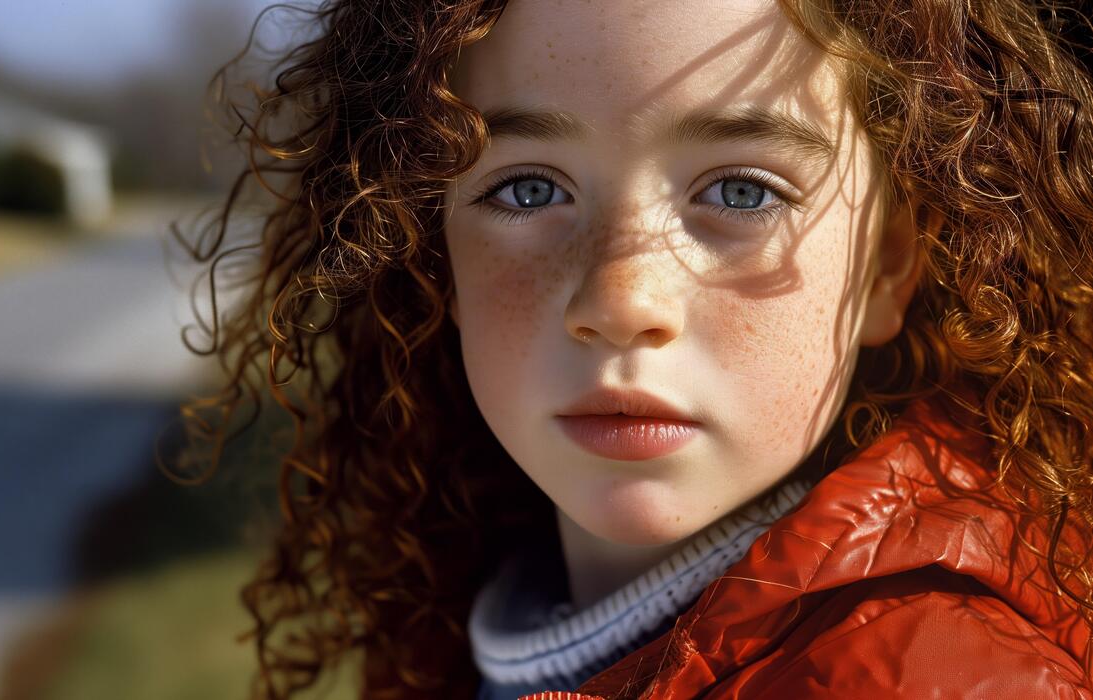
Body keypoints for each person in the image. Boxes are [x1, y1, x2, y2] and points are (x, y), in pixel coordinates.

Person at [170, 0, 1093, 697]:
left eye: (740, 192)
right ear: (429, 249)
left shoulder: (931, 678)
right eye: (528, 190)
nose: (621, 301)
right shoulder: (456, 632)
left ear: (891, 265)